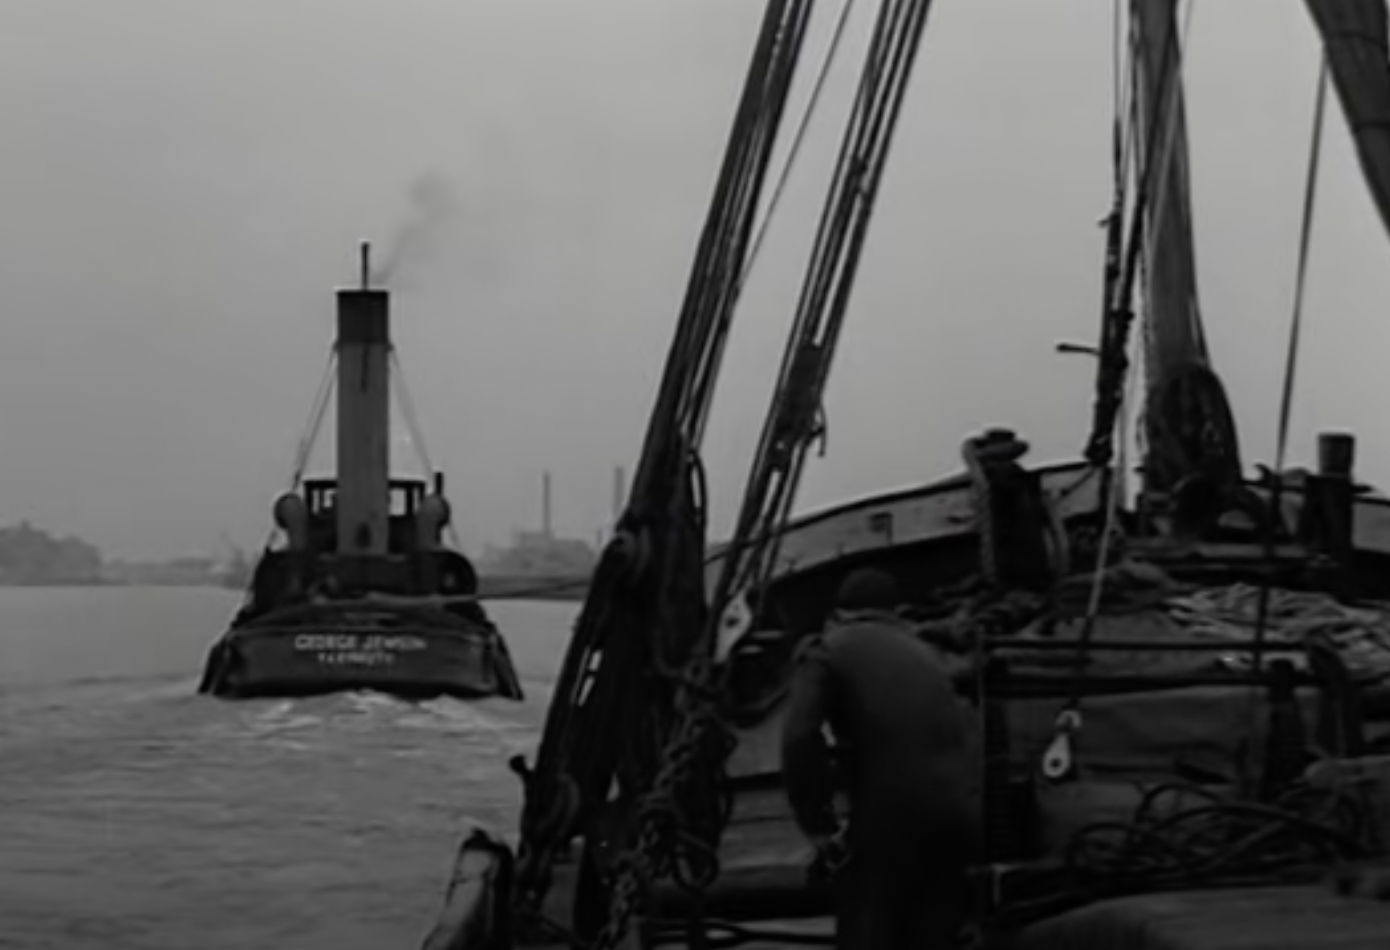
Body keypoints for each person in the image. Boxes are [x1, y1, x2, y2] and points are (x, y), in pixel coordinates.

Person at [781, 567, 979, 950]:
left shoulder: (828, 648)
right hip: (961, 822)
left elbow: (798, 738)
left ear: (839, 613)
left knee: (867, 929)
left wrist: (819, 826)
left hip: (890, 826)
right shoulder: (928, 654)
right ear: (897, 612)